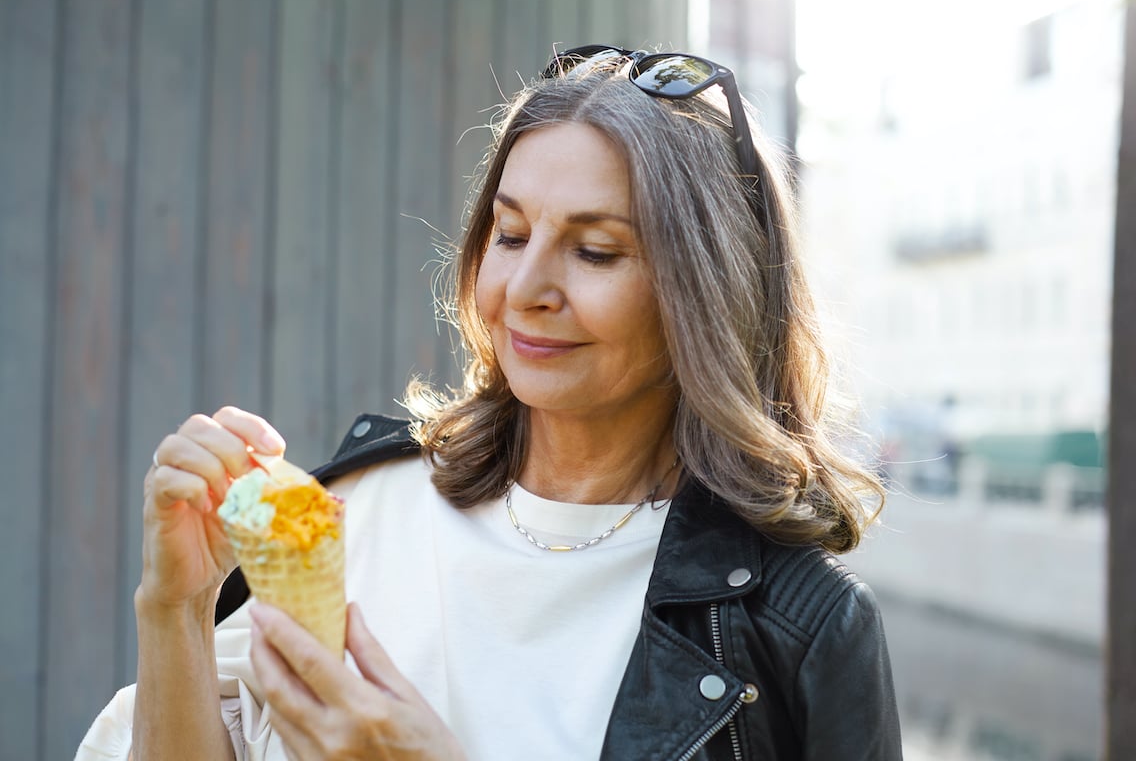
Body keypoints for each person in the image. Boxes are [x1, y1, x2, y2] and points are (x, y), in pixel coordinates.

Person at [79, 45, 901, 760]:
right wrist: (176, 610)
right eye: (509, 235)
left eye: (595, 251)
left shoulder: (800, 631)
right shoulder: (356, 508)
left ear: (707, 294)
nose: (525, 288)